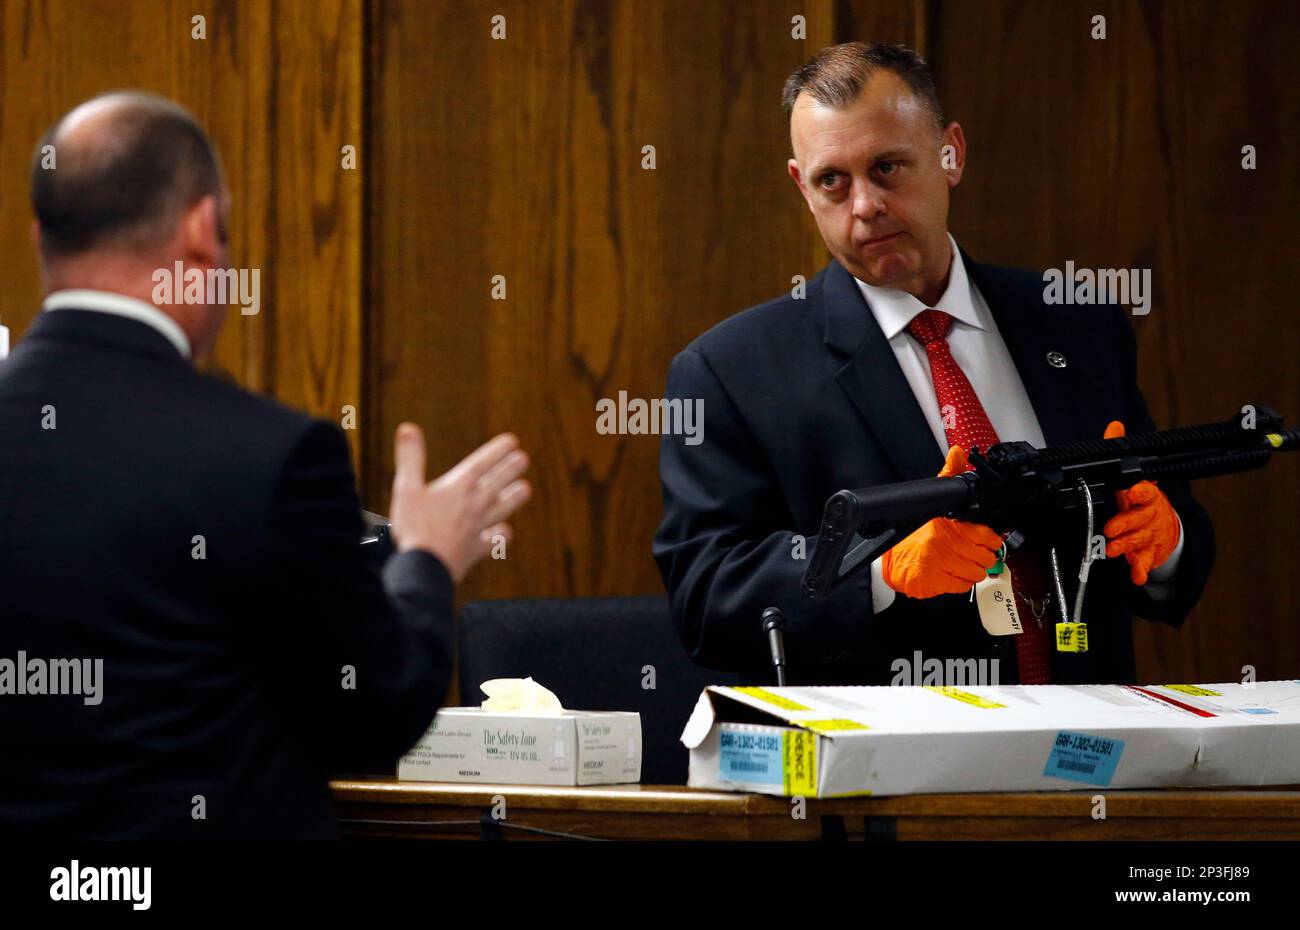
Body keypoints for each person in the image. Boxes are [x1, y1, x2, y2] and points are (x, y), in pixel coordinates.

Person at [0, 91, 532, 838]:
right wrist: (425, 558)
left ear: (39, 238)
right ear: (201, 230)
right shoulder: (269, 455)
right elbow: (371, 710)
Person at [653, 43, 1214, 686]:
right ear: (801, 189)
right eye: (832, 180)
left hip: (1094, 754)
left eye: (887, 166)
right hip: (889, 769)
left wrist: (1164, 539)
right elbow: (706, 599)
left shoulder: (1079, 322)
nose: (864, 205)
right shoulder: (731, 371)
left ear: (951, 154)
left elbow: (1176, 540)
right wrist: (879, 572)